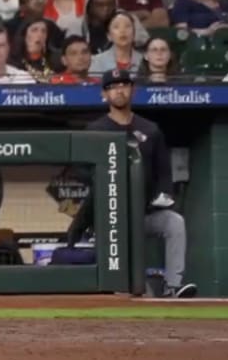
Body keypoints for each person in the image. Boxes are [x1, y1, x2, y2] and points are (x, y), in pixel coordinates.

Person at [72, 70, 197, 298]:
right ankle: (118, 287)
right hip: (111, 216)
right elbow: (79, 170)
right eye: (113, 86)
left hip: (144, 213)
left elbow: (163, 173)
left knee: (174, 222)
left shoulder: (150, 129)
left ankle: (173, 286)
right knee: (125, 290)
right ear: (104, 94)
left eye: (124, 85)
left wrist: (162, 196)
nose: (119, 90)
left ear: (133, 90)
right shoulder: (95, 131)